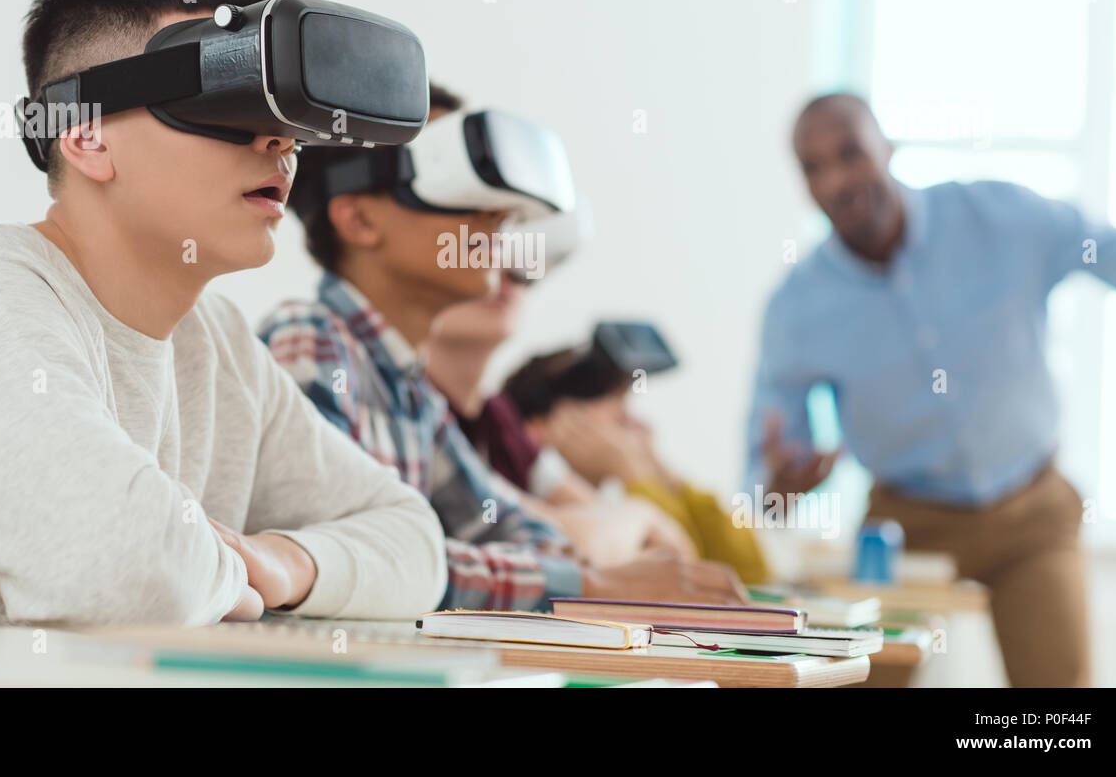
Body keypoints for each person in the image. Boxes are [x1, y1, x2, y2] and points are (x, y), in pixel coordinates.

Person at [0, 0, 447, 628]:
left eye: (283, 119)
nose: (277, 143)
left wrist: (284, 562)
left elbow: (416, 542)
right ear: (88, 133)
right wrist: (233, 583)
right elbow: (122, 565)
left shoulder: (217, 344)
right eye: (230, 98)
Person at [261, 88, 747, 611]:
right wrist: (590, 584)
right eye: (455, 183)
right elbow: (360, 563)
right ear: (359, 220)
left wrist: (599, 568)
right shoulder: (311, 339)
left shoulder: (411, 390)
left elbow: (516, 531)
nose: (498, 219)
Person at [745, 91, 1116, 686]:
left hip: (1030, 508)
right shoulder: (796, 309)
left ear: (889, 147)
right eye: (813, 167)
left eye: (851, 153)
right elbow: (767, 474)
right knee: (854, 678)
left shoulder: (1000, 217)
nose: (836, 180)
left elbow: (1112, 253)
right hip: (905, 527)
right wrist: (782, 484)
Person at [427, 274, 703, 569]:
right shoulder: (423, 414)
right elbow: (578, 548)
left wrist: (660, 475)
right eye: (615, 408)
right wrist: (638, 500)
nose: (634, 426)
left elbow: (679, 557)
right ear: (540, 427)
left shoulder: (497, 417)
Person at [502, 347, 771, 584]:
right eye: (619, 413)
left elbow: (752, 570)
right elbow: (687, 574)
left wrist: (667, 474)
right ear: (540, 428)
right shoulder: (540, 514)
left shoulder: (612, 504)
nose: (637, 426)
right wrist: (635, 477)